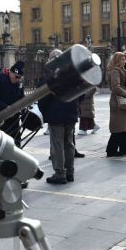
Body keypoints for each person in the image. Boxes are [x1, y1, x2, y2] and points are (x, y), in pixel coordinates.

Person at [39, 49, 81, 184]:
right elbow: (81, 93)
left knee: (57, 145)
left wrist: (45, 112)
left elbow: (43, 97)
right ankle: (70, 172)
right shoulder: (72, 72)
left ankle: (60, 173)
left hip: (55, 114)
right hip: (71, 113)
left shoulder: (50, 74)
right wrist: (75, 107)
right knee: (69, 143)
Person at [0, 60, 26, 145]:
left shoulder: (19, 82)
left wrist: (24, 105)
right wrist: (6, 107)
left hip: (14, 119)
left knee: (16, 144)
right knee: (0, 144)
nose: (18, 79)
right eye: (16, 77)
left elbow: (21, 97)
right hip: (0, 117)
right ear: (11, 73)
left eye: (20, 77)